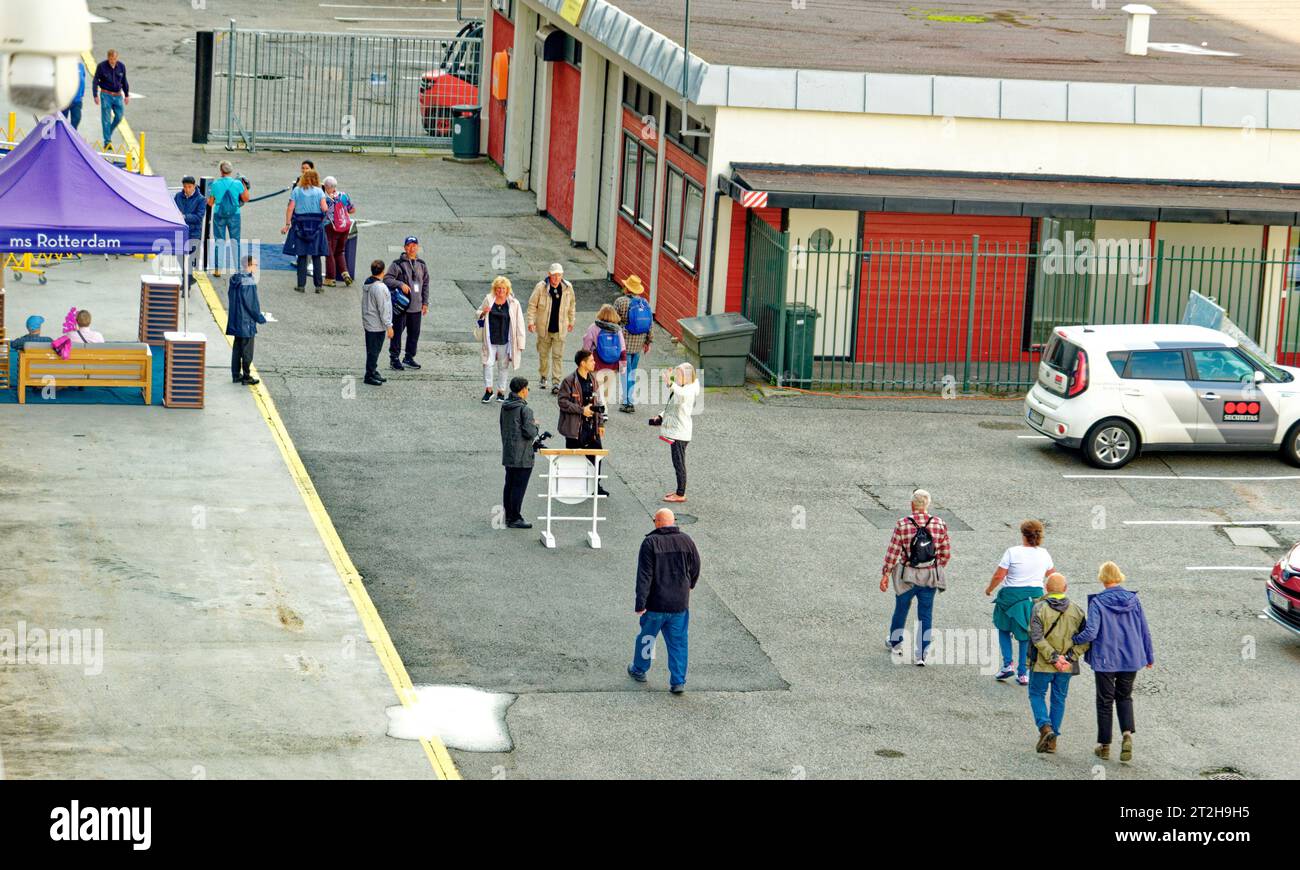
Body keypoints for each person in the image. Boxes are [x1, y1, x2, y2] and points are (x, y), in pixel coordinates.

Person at [1072, 561, 1155, 763]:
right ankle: (1126, 734)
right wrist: (1149, 655)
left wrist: (1073, 639)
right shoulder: (1134, 600)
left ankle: (1105, 745)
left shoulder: (1098, 603)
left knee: (1105, 700)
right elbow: (1144, 628)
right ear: (1119, 577)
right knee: (1125, 696)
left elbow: (1091, 632)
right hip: (1131, 656)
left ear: (1102, 579)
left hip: (1105, 658)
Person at [627, 509, 701, 694]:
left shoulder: (650, 542)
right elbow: (696, 566)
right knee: (678, 643)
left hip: (655, 605)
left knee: (647, 638)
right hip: (679, 605)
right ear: (673, 521)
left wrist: (640, 604)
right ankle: (678, 681)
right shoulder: (687, 540)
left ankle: (640, 669)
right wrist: (690, 584)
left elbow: (644, 576)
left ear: (657, 522)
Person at [878, 489, 952, 665]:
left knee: (901, 608)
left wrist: (886, 574)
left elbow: (893, 552)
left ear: (912, 504)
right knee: (925, 613)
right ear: (928, 505)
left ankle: (896, 643)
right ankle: (922, 653)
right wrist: (934, 567)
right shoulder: (939, 523)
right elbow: (945, 553)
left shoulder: (902, 524)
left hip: (907, 575)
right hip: (929, 575)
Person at [986, 519, 1055, 686]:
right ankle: (1023, 673)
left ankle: (1007, 663)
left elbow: (999, 575)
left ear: (1023, 535)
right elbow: (1052, 575)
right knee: (1026, 635)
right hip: (1034, 598)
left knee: (1003, 628)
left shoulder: (1013, 552)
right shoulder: (1044, 553)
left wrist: (989, 589)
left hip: (1010, 597)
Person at [1028, 572, 1090, 754]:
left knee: (1036, 694)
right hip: (1066, 666)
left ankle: (1045, 727)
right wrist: (1069, 658)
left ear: (1046, 589)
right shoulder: (1077, 611)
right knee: (1059, 699)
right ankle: (1052, 740)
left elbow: (1036, 638)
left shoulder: (1039, 608)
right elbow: (1086, 640)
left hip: (1042, 663)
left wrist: (1054, 657)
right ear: (1065, 589)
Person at [557, 349, 609, 497]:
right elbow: (562, 402)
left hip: (591, 427)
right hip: (575, 428)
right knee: (574, 458)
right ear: (582, 363)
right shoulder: (569, 381)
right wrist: (581, 410)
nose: (594, 363)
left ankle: (595, 486)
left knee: (597, 455)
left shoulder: (593, 380)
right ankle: (573, 487)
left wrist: (600, 424)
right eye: (591, 360)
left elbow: (597, 402)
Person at [651, 362, 699, 503]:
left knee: (679, 463)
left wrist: (670, 383)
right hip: (678, 431)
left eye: (679, 375)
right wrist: (660, 416)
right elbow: (672, 405)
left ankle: (680, 493)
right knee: (677, 462)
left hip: (680, 433)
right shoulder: (683, 388)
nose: (677, 377)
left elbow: (681, 394)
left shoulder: (688, 391)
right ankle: (679, 491)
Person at [525, 263, 575, 394]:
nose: (556, 278)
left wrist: (571, 321)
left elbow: (572, 306)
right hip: (544, 328)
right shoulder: (541, 288)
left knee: (558, 356)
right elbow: (532, 305)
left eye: (559, 275)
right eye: (554, 275)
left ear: (562, 275)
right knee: (543, 354)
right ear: (549, 275)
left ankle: (556, 382)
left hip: (560, 329)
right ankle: (543, 376)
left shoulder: (568, 288)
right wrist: (531, 322)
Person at [382, 237, 430, 370]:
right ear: (405, 248)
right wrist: (400, 283)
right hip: (402, 307)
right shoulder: (397, 264)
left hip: (416, 307)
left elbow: (425, 284)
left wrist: (425, 303)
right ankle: (394, 358)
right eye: (409, 245)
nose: (412, 248)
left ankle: (409, 357)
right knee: (397, 333)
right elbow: (386, 279)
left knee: (414, 334)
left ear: (418, 247)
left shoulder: (422, 264)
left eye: (414, 245)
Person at [477, 276, 526, 403]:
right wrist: (483, 312)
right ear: (494, 289)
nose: (500, 291)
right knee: (487, 363)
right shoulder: (488, 300)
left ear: (508, 289)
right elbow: (478, 315)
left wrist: (521, 343)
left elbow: (520, 323)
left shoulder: (514, 303)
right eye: (498, 288)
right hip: (490, 339)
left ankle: (501, 391)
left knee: (503, 366)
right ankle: (488, 390)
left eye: (503, 288)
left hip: (506, 339)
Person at [499, 376, 539, 530]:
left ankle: (508, 515)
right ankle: (515, 517)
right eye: (527, 388)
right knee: (519, 487)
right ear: (523, 390)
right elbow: (530, 432)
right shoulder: (525, 409)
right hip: (522, 455)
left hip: (509, 451)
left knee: (509, 484)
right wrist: (535, 425)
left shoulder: (505, 406)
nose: (527, 391)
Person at [282, 168, 329, 293]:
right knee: (316, 256)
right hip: (316, 226)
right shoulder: (319, 191)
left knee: (302, 256)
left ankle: (301, 285)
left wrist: (287, 224)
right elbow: (324, 208)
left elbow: (290, 208)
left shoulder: (297, 191)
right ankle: (318, 286)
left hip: (300, 225)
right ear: (316, 179)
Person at [613, 275, 652, 412]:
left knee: (625, 372)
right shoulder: (644, 302)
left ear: (626, 288)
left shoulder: (620, 302)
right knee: (633, 373)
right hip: (639, 343)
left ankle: (627, 402)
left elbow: (613, 322)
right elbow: (649, 324)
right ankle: (630, 399)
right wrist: (648, 342)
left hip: (624, 343)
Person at [226, 255, 266, 386]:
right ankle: (247, 376)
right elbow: (251, 304)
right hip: (246, 321)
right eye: (254, 265)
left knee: (237, 348)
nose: (256, 267)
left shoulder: (235, 279)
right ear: (248, 266)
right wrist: (259, 317)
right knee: (247, 350)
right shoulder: (248, 281)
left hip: (236, 320)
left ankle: (236, 375)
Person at [206, 162, 249, 278]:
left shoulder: (215, 184)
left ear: (221, 171)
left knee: (219, 241)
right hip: (235, 214)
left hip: (219, 215)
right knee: (235, 241)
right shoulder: (237, 183)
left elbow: (210, 203)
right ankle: (238, 269)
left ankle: (218, 270)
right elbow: (246, 198)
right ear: (231, 171)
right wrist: (244, 185)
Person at [581, 304, 625, 409]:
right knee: (606, 390)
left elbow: (587, 345)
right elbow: (623, 348)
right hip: (613, 365)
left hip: (596, 363)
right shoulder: (617, 330)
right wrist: (623, 366)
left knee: (595, 387)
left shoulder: (593, 327)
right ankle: (604, 410)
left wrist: (584, 360)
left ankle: (597, 410)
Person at [361, 260, 393, 387]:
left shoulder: (368, 282)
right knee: (374, 350)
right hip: (376, 324)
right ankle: (369, 375)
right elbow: (383, 308)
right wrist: (389, 326)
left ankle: (373, 370)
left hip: (369, 321)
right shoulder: (380, 287)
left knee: (372, 349)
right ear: (383, 271)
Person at [321, 176, 356, 287]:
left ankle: (330, 278)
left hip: (331, 228)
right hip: (344, 227)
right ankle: (345, 274)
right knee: (340, 251)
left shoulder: (326, 199)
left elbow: (322, 212)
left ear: (326, 187)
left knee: (330, 252)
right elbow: (352, 210)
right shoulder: (343, 195)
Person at [91, 49, 129, 146]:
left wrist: (127, 95)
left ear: (117, 58)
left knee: (119, 117)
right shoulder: (101, 67)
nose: (113, 61)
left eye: (115, 59)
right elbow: (95, 81)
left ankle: (108, 132)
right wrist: (95, 95)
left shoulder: (121, 66)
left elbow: (124, 81)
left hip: (118, 96)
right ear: (108, 58)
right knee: (106, 119)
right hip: (106, 95)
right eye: (111, 59)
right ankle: (107, 142)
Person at [174, 176, 205, 289]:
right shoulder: (178, 196)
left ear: (194, 186)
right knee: (180, 257)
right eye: (185, 186)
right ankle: (188, 279)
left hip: (193, 233)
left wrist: (184, 217)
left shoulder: (201, 199)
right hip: (180, 232)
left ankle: (187, 282)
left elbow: (199, 217)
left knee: (191, 259)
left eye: (189, 187)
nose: (187, 189)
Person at [62, 62, 86, 131]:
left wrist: (81, 93)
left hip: (77, 100)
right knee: (62, 122)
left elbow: (83, 79)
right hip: (65, 100)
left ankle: (72, 137)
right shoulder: (63, 66)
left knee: (77, 119)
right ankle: (62, 138)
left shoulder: (80, 66)